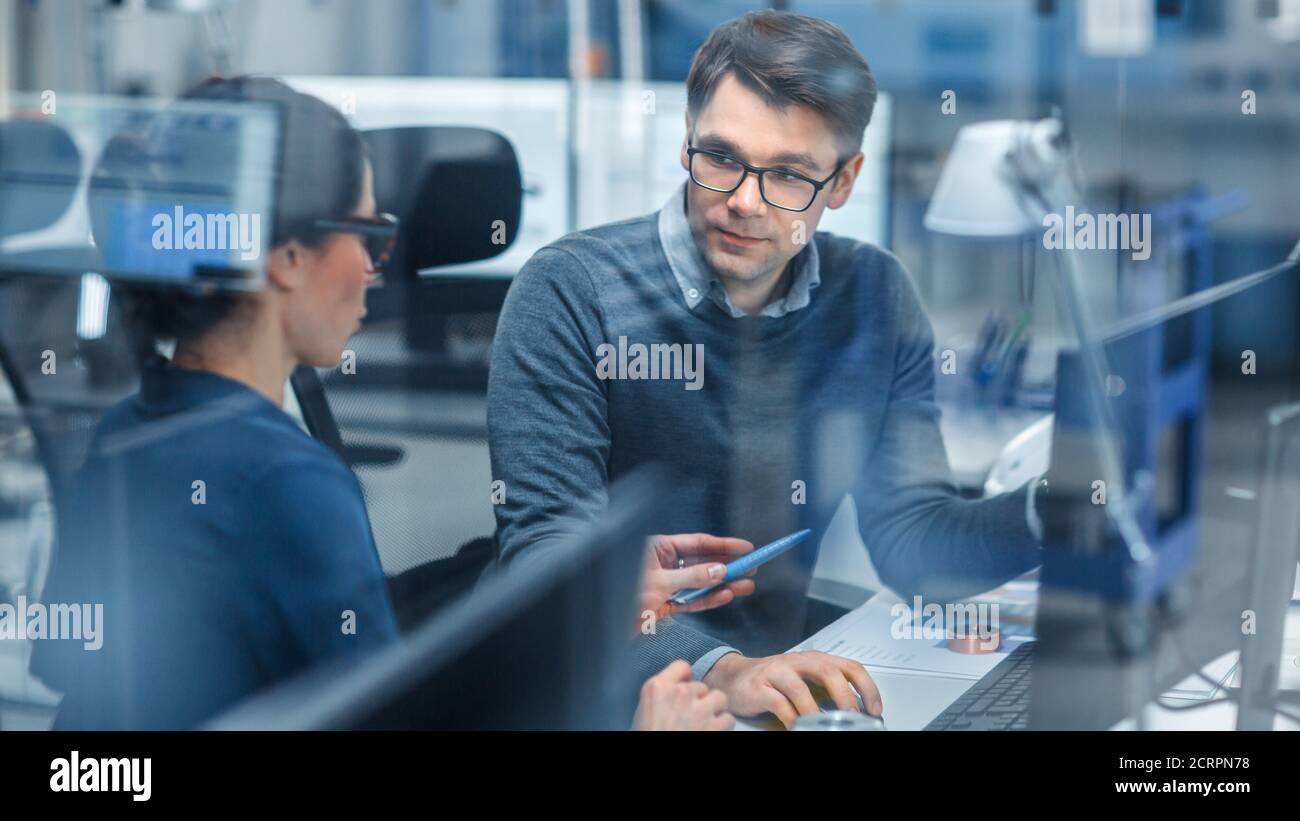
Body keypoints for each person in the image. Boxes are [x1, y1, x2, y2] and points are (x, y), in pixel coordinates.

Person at [31, 76, 737, 731]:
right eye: (369, 235)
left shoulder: (129, 435)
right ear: (287, 258)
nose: (377, 268)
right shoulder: (288, 480)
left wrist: (579, 597)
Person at [488, 10, 1040, 728]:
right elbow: (548, 566)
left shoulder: (873, 294)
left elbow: (912, 537)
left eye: (787, 174)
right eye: (721, 157)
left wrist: (1055, 508)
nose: (744, 201)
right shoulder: (570, 291)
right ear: (686, 144)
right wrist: (729, 671)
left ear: (843, 181)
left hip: (777, 696)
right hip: (603, 699)